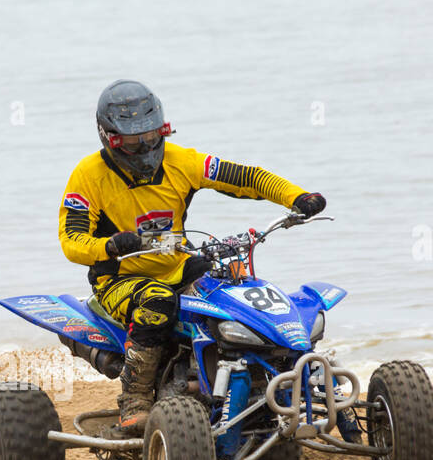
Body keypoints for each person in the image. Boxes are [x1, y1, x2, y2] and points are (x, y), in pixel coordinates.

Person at [58, 79, 326, 435]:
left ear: (162, 130)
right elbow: (71, 240)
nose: (146, 147)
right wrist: (108, 247)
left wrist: (297, 197)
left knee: (236, 293)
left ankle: (261, 383)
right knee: (157, 301)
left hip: (180, 266)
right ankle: (135, 400)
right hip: (119, 279)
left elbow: (247, 177)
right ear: (110, 138)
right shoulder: (88, 176)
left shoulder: (182, 161)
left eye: (152, 136)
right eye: (135, 141)